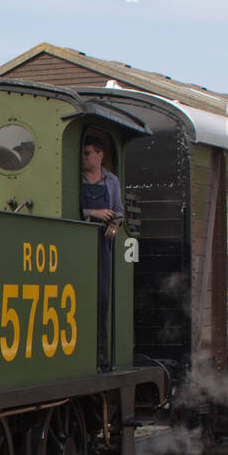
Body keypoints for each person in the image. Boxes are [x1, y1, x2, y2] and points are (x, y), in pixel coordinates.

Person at [81, 135, 123, 367]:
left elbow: (119, 211)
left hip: (102, 243)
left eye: (88, 153)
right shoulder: (76, 178)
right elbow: (73, 208)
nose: (84, 158)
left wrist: (115, 224)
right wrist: (94, 213)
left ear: (100, 155)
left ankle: (100, 352)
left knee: (102, 297)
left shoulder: (112, 181)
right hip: (80, 241)